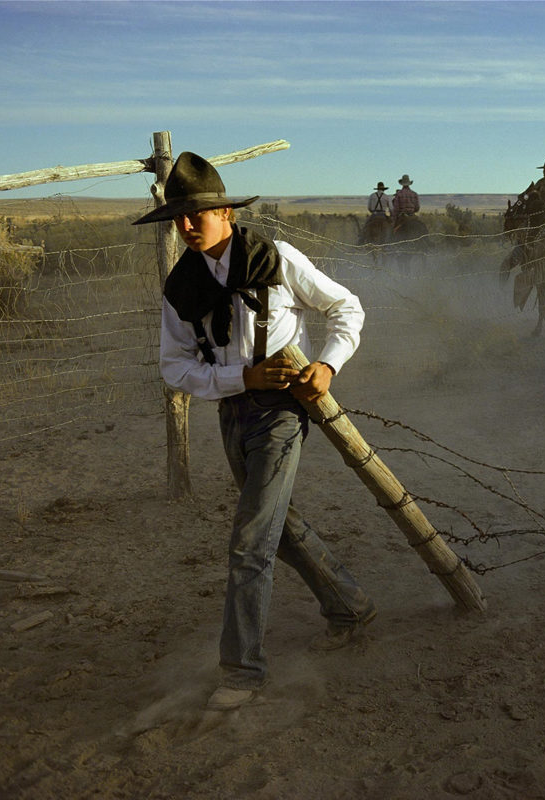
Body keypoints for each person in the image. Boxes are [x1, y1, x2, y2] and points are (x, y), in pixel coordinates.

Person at [133, 152, 376, 712]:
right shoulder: (181, 286)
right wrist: (237, 376)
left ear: (224, 211)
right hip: (231, 411)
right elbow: (174, 366)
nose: (187, 226)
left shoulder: (277, 258)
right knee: (275, 528)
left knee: (249, 542)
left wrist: (328, 365)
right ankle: (350, 605)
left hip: (282, 414)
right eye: (179, 217)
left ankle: (241, 672)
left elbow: (347, 309)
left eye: (197, 213)